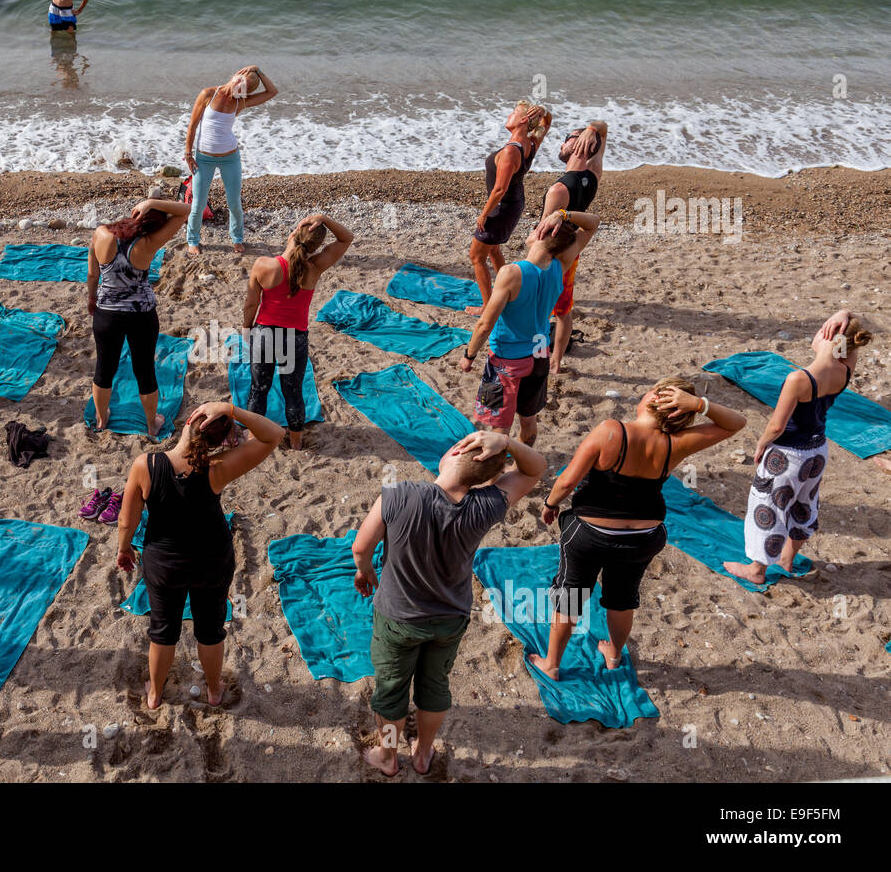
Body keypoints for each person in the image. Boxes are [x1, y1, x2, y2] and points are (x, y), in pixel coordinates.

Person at [352, 429, 546, 777]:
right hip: (449, 618)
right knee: (435, 686)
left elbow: (360, 548)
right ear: (487, 476)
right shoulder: (486, 505)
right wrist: (509, 443)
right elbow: (535, 469)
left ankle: (389, 756)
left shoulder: (399, 493)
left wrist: (365, 571)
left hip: (398, 617)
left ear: (455, 451)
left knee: (391, 690)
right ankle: (424, 753)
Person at [530, 380, 746, 680]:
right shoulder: (677, 442)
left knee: (571, 595)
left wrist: (550, 503)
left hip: (590, 533)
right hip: (642, 539)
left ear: (653, 397)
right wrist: (700, 405)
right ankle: (615, 654)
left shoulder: (611, 430)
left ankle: (552, 664)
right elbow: (737, 423)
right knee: (622, 599)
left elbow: (567, 481)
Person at [116, 401, 283, 709]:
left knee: (163, 629)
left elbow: (127, 521)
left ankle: (154, 694)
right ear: (220, 441)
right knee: (210, 627)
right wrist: (232, 409)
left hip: (165, 562)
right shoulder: (218, 469)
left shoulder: (146, 465)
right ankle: (215, 691)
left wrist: (124, 548)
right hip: (211, 559)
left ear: (189, 421)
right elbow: (273, 435)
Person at [726, 310, 873, 584]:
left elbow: (777, 426)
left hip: (787, 455)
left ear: (827, 337)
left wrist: (761, 444)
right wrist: (845, 315)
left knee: (768, 507)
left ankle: (756, 570)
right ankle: (787, 558)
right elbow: (847, 345)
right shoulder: (845, 368)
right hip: (817, 451)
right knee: (804, 505)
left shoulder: (799, 379)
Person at [460, 208, 600, 445]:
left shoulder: (511, 273)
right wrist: (563, 215)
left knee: (499, 428)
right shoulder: (560, 266)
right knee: (528, 420)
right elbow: (593, 223)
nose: (534, 228)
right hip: (538, 355)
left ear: (542, 236)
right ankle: (520, 466)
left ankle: (496, 478)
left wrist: (469, 355)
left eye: (538, 226)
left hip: (507, 360)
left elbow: (485, 324)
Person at [241, 212, 353, 449]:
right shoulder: (314, 267)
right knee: (293, 393)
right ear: (315, 246)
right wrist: (324, 218)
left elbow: (251, 304)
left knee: (258, 389)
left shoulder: (264, 265)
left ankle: (253, 439)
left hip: (265, 335)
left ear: (293, 233)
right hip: (294, 339)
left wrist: (246, 328)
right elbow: (346, 239)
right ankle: (296, 443)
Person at [86, 197, 190, 440]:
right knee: (144, 371)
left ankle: (102, 419)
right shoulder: (149, 243)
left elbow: (92, 273)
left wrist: (92, 297)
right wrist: (153, 202)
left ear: (135, 215)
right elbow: (186, 210)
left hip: (106, 313)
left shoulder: (101, 233)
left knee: (104, 368)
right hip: (140, 315)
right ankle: (152, 424)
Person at [536, 119, 608, 373]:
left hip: (551, 256)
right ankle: (556, 362)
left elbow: (542, 235)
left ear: (578, 145)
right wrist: (592, 130)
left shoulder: (558, 189)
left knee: (541, 309)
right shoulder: (594, 174)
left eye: (567, 138)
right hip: (572, 250)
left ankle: (538, 354)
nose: (562, 142)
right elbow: (603, 127)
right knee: (564, 310)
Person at [182, 66, 278, 255]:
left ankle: (237, 238)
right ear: (236, 75)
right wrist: (188, 154)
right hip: (204, 158)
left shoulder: (240, 102)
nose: (240, 87)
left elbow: (272, 92)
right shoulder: (208, 94)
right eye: (241, 81)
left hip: (230, 158)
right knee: (199, 203)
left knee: (234, 202)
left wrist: (258, 71)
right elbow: (192, 125)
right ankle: (193, 240)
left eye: (246, 87)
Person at [467, 101, 552, 313]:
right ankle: (509, 292)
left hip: (502, 207)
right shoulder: (530, 143)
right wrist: (543, 112)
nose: (509, 115)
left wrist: (484, 214)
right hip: (514, 204)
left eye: (514, 112)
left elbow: (498, 190)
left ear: (523, 120)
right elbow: (547, 124)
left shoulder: (511, 152)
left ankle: (488, 307)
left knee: (476, 256)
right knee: (493, 249)